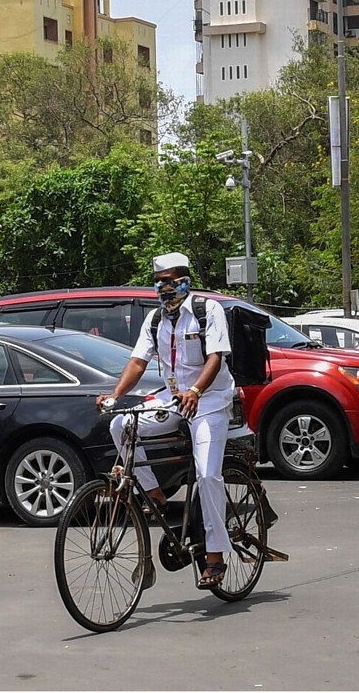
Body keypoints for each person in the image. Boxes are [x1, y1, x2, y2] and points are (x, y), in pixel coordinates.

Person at [97, 252, 237, 590]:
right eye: (158, 282)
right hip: (173, 398)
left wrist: (197, 390)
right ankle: (154, 493)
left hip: (209, 401)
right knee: (121, 425)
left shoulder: (207, 310)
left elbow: (216, 357)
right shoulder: (155, 319)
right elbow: (138, 362)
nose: (163, 287)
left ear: (185, 280)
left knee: (207, 474)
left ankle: (215, 553)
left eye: (169, 281)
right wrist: (115, 395)